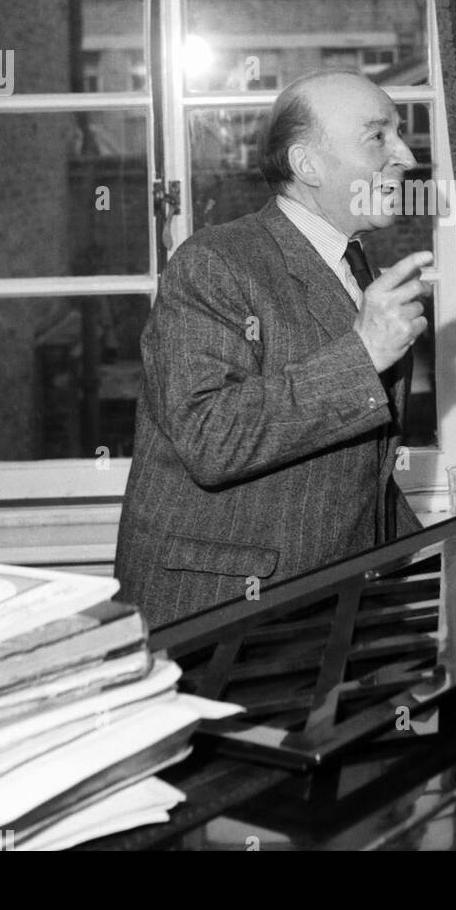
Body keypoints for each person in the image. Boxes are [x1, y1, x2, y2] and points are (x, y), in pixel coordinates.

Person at [115, 70, 431, 626]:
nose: (405, 155)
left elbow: (355, 468)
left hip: (326, 601)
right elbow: (210, 439)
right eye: (378, 136)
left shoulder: (354, 265)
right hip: (225, 614)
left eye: (400, 134)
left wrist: (429, 557)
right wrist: (362, 354)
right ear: (307, 164)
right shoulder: (214, 262)